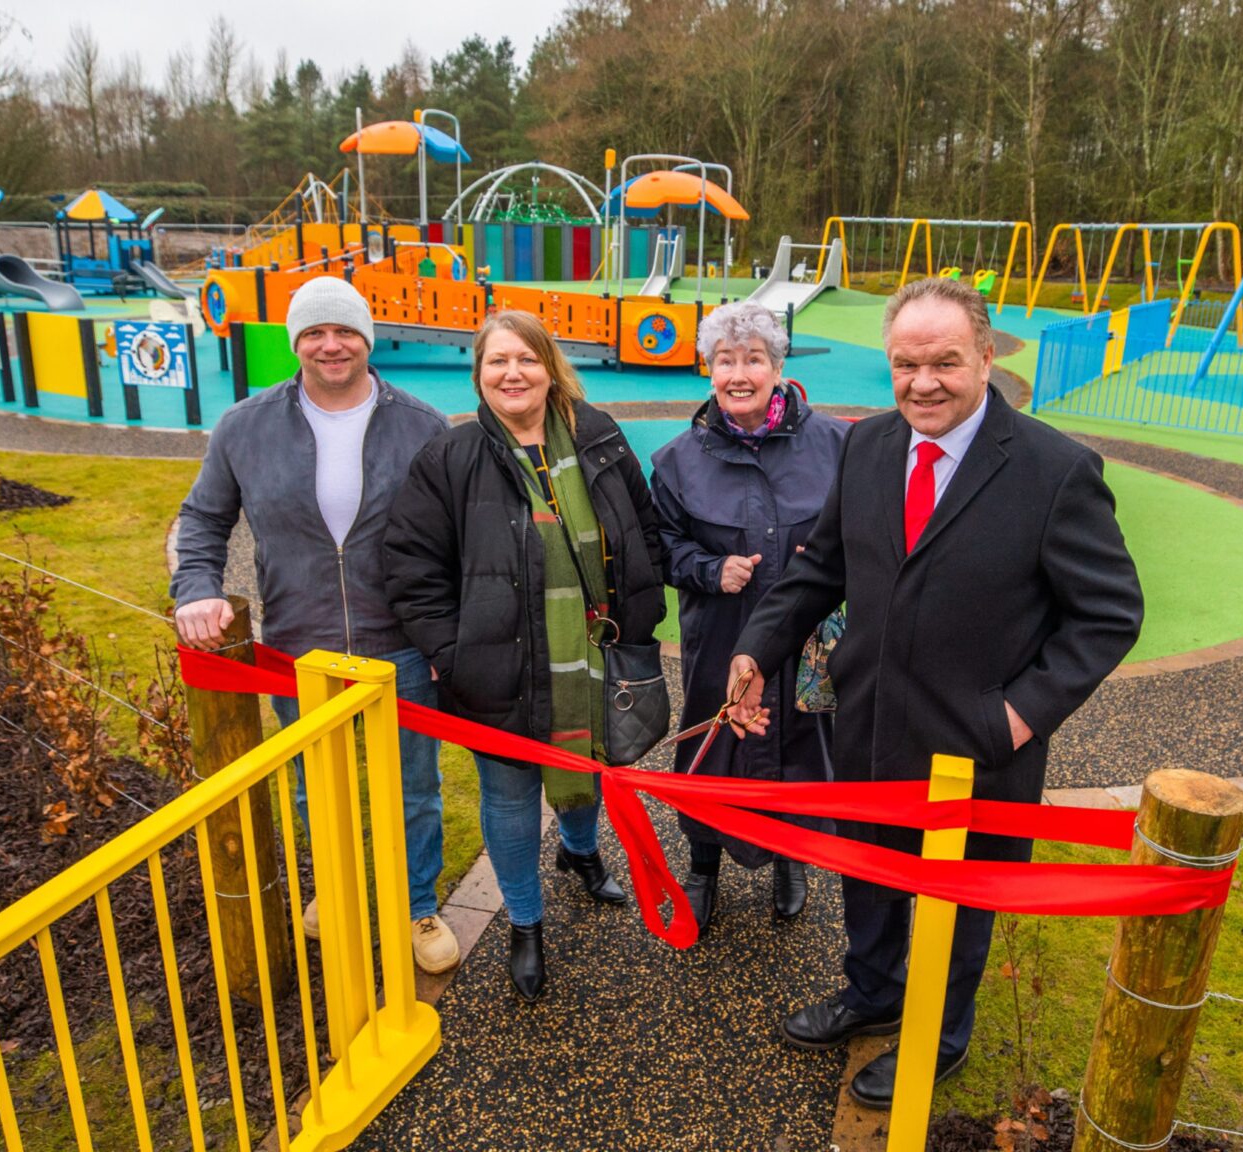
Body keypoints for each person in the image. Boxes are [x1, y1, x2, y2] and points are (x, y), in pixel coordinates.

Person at [726, 277, 1143, 1108]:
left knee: (956, 899)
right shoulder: (869, 446)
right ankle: (873, 992)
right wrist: (757, 649)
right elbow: (821, 568)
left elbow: (1107, 615)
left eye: (944, 362)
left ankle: (938, 1037)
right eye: (905, 364)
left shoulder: (1055, 472)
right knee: (872, 876)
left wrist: (1016, 718)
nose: (923, 383)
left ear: (986, 358)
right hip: (869, 728)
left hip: (977, 748)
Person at [171, 276, 461, 975]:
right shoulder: (245, 425)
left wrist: (451, 635)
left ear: (367, 337)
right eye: (314, 333)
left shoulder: (421, 424)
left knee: (414, 788)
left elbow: (454, 538)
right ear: (296, 341)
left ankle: (417, 903)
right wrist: (196, 587)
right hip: (300, 645)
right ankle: (332, 891)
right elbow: (203, 519)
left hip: (401, 644)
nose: (331, 345)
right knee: (311, 785)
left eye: (345, 331)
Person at [383, 310, 666, 1002]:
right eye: (496, 362)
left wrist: (634, 615)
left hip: (591, 658)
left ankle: (578, 852)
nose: (512, 373)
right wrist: (451, 651)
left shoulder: (596, 436)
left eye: (527, 359)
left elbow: (642, 525)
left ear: (550, 367)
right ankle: (525, 924)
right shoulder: (450, 459)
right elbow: (410, 566)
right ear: (478, 374)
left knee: (588, 766)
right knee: (509, 798)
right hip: (497, 664)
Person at [649, 301, 847, 931]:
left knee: (802, 741)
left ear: (777, 367)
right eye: (725, 360)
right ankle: (703, 865)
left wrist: (822, 557)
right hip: (719, 635)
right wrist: (711, 569)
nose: (739, 373)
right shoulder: (677, 460)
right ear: (708, 370)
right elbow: (663, 545)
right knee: (714, 743)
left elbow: (865, 533)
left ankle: (793, 858)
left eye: (753, 359)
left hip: (807, 636)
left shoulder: (838, 443)